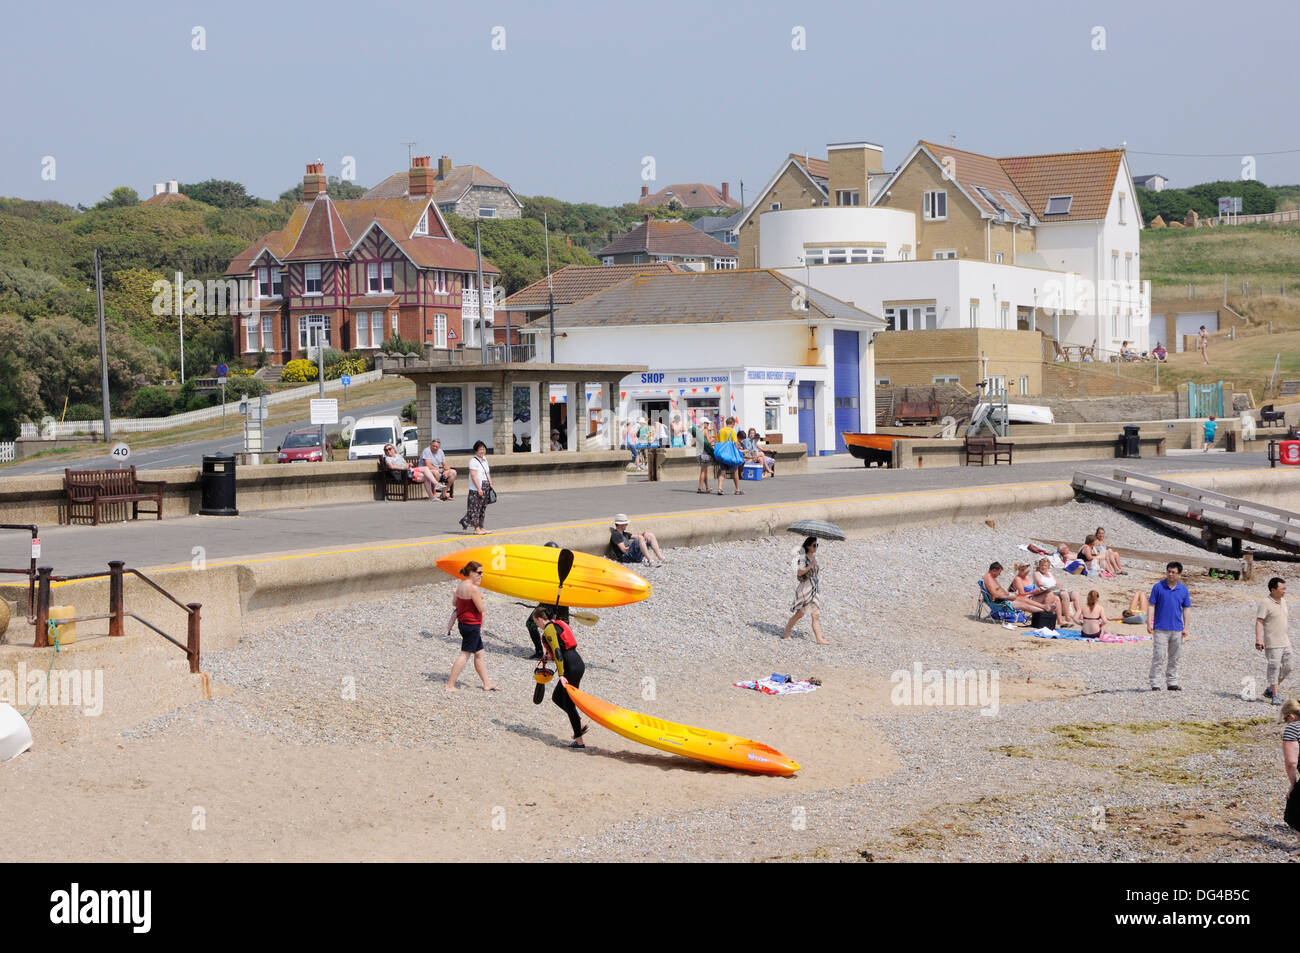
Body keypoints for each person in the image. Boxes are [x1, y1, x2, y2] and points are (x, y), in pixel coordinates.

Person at [538, 608, 590, 748]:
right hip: (577, 663)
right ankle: (580, 724)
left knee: (568, 703)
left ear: (540, 619)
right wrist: (549, 656)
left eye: (537, 623)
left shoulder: (548, 630)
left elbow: (558, 652)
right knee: (557, 697)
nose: (538, 626)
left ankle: (579, 741)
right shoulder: (556, 624)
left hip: (571, 668)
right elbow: (560, 647)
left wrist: (561, 675)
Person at [444, 560, 496, 692]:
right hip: (471, 625)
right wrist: (481, 598)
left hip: (464, 624)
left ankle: (487, 683)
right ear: (471, 572)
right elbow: (481, 608)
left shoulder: (461, 585)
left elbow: (455, 603)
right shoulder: (473, 589)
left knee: (479, 653)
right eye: (479, 572)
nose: (481, 575)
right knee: (465, 654)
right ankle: (450, 685)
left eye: (482, 572)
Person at [1148, 561, 1191, 691]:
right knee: (1159, 656)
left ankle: (1172, 682)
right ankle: (1155, 682)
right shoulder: (1158, 587)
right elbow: (1151, 605)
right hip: (1160, 628)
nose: (1170, 574)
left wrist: (1186, 627)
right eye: (1169, 571)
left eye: (1173, 572)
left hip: (1177, 629)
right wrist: (1149, 622)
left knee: (1175, 657)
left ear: (1179, 575)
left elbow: (1186, 608)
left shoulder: (1183, 590)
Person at [783, 536, 828, 643]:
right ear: (808, 546)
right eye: (814, 545)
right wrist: (810, 566)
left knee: (815, 615)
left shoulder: (814, 558)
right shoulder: (803, 558)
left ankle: (819, 638)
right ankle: (786, 633)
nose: (816, 547)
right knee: (800, 614)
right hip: (805, 589)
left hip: (814, 589)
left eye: (817, 545)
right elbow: (799, 572)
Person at [1257, 577, 1291, 706]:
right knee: (1274, 668)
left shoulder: (1283, 601)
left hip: (1285, 641)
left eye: (1285, 588)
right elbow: (1259, 621)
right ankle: (1275, 695)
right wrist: (1258, 639)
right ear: (1273, 590)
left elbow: (1283, 621)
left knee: (1289, 666)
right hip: (1272, 642)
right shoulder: (1265, 603)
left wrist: (1288, 637)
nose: (1284, 591)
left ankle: (1270, 689)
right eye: (1282, 589)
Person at [1034, 557, 1082, 624]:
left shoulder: (1050, 574)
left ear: (1048, 567)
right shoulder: (1037, 573)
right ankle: (1067, 617)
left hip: (1056, 590)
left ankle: (1079, 615)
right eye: (1042, 565)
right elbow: (1039, 583)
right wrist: (1051, 586)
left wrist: (1060, 588)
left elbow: (1058, 584)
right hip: (1047, 591)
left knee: (1075, 594)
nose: (1043, 567)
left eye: (1045, 566)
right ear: (1039, 566)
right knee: (1064, 594)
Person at [460, 440, 492, 535]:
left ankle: (481, 527)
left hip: (486, 485)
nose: (482, 451)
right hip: (476, 487)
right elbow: (474, 476)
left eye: (483, 449)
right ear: (476, 451)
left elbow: (487, 473)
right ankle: (476, 528)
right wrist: (479, 488)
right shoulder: (473, 461)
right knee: (475, 508)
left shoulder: (485, 459)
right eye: (480, 449)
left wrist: (490, 482)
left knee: (482, 508)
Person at [1280, 699, 1300, 845]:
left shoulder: (1293, 728)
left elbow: (1291, 762)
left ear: (1291, 716)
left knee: (1294, 808)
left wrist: (1293, 784)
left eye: (1285, 719)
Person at [714, 416, 743, 495]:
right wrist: (739, 448)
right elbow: (735, 443)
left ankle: (720, 488)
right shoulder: (732, 431)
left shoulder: (720, 431)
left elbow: (719, 442)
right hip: (730, 455)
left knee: (722, 471)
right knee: (735, 471)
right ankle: (737, 489)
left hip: (723, 454)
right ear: (732, 423)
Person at [691, 418, 715, 493]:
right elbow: (708, 441)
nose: (708, 425)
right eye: (707, 423)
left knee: (705, 471)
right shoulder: (705, 431)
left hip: (699, 452)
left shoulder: (698, 431)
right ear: (703, 423)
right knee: (703, 471)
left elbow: (694, 444)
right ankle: (700, 488)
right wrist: (713, 439)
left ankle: (707, 487)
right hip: (705, 453)